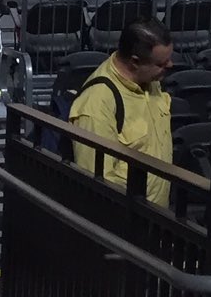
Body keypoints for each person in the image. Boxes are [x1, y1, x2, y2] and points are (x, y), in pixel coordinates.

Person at [67, 18, 174, 207]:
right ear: (135, 61)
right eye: (161, 63)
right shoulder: (98, 102)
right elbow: (96, 182)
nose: (170, 66)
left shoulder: (150, 80)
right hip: (124, 221)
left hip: (155, 219)